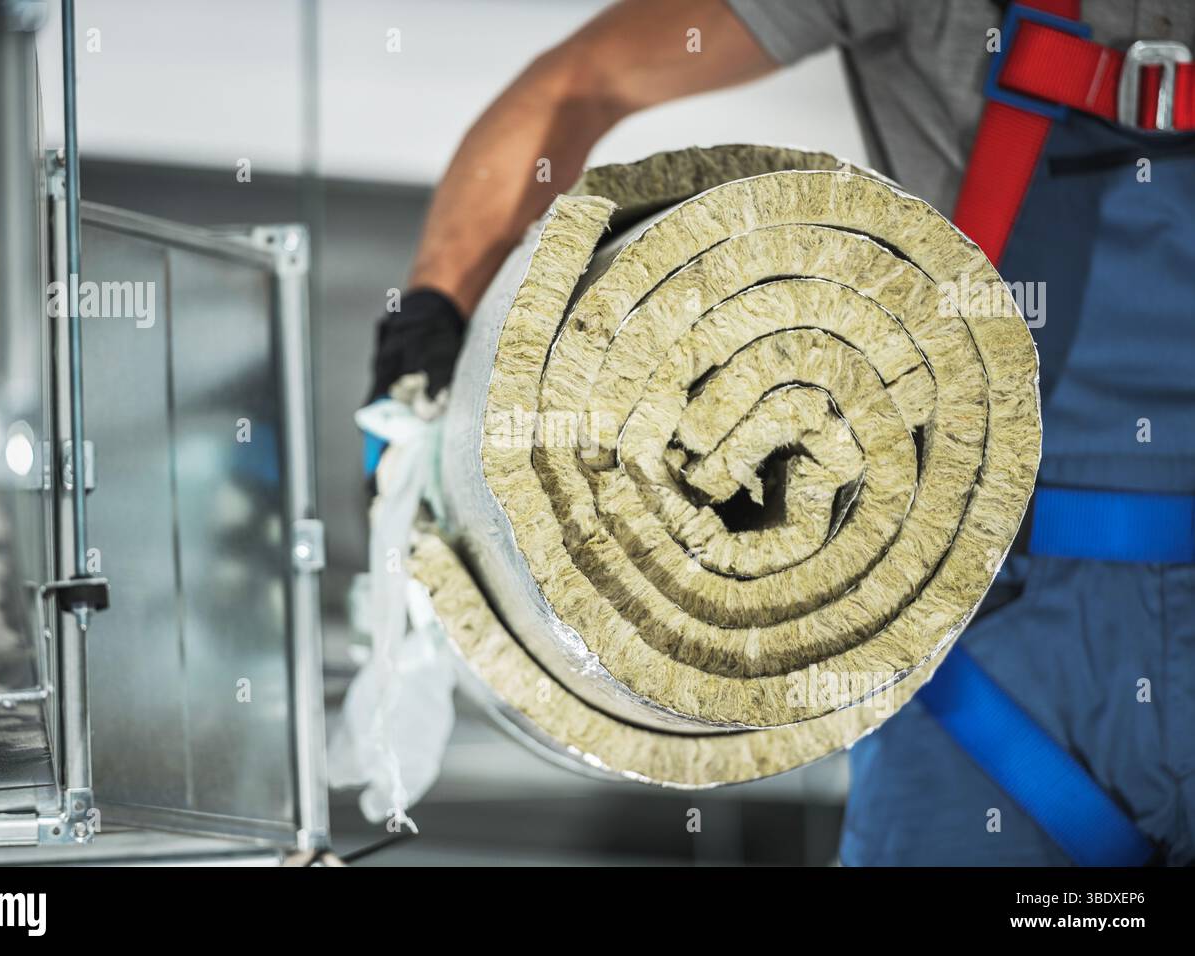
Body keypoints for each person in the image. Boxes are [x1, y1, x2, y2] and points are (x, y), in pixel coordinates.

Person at [366, 0, 1195, 866]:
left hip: (981, 650)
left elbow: (577, 84)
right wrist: (425, 325)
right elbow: (580, 83)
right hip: (977, 630)